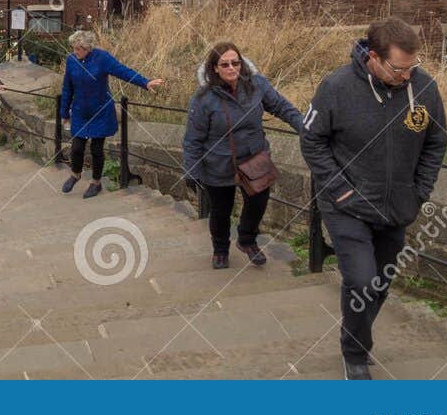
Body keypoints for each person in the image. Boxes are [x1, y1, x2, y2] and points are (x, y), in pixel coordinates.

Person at [301, 18, 447, 380]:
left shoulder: (424, 88)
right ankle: (354, 352)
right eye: (399, 68)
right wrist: (339, 189)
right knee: (362, 280)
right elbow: (311, 140)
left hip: (397, 205)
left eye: (412, 67)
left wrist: (419, 192)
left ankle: (357, 335)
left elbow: (436, 142)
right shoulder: (336, 87)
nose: (407, 76)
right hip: (346, 204)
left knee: (380, 282)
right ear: (373, 57)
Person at [182, 41, 304, 269]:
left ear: (242, 64)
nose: (231, 68)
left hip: (254, 158)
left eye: (235, 63)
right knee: (221, 210)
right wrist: (191, 170)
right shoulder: (203, 99)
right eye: (224, 64)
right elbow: (193, 139)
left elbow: (281, 107)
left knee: (258, 202)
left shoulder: (257, 85)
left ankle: (247, 240)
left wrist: (305, 128)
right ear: (215, 68)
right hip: (218, 163)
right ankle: (220, 250)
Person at [58, 30, 162, 198]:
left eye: (78, 49)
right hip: (80, 112)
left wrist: (145, 82)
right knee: (77, 148)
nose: (75, 52)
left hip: (100, 112)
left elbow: (123, 71)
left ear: (88, 48)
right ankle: (76, 174)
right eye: (74, 48)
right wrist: (64, 112)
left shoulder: (102, 58)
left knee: (97, 149)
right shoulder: (72, 61)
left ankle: (95, 183)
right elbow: (67, 87)